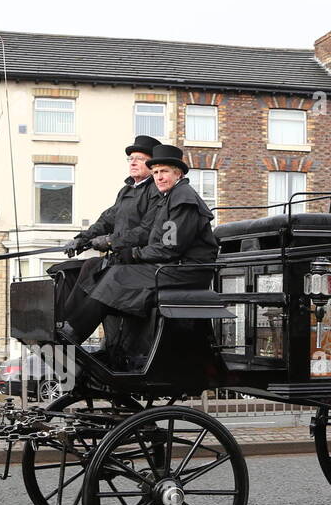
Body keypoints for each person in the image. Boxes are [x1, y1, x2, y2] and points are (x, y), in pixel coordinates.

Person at [58, 143, 219, 350]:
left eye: (165, 172)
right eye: (156, 172)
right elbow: (117, 222)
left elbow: (170, 248)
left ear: (178, 174)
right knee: (107, 271)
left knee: (116, 277)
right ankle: (76, 329)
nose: (159, 177)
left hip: (185, 270)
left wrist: (134, 254)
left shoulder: (183, 200)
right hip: (172, 265)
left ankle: (74, 334)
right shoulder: (169, 198)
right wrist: (87, 238)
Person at [54, 135, 162, 318]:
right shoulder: (126, 190)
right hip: (120, 256)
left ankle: (72, 327)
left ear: (153, 165)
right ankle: (60, 321)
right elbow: (107, 219)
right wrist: (82, 238)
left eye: (140, 159)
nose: (133, 162)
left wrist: (110, 241)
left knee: (93, 270)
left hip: (137, 260)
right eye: (131, 158)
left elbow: (146, 231)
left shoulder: (155, 190)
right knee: (67, 271)